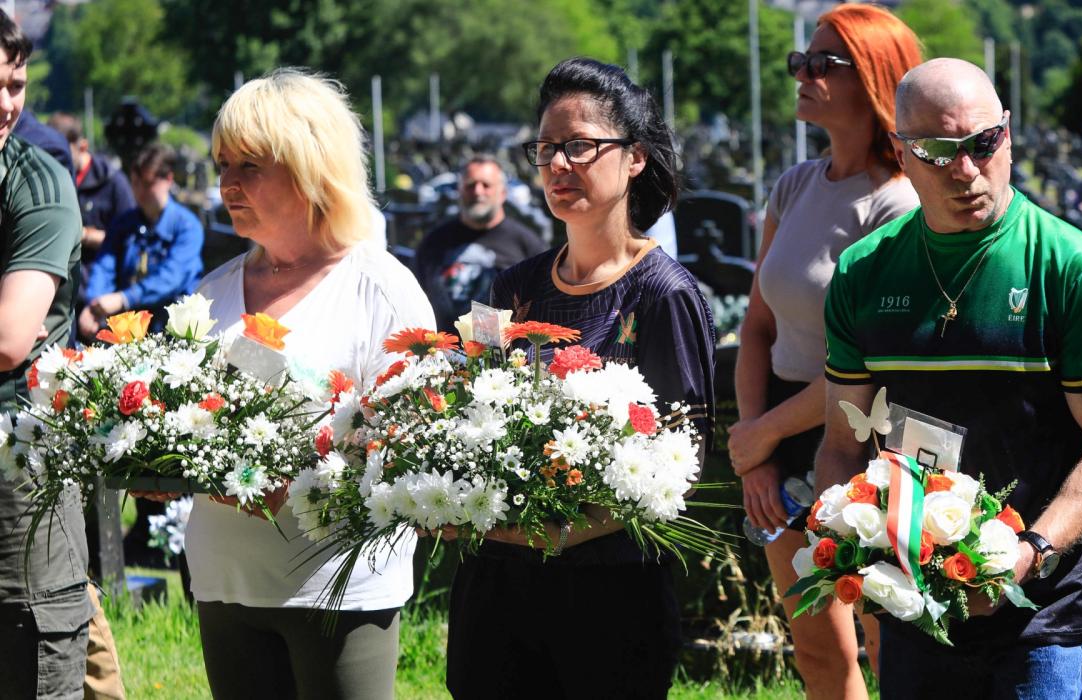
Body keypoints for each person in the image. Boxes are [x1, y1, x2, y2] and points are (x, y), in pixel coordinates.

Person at [818, 58, 1082, 699]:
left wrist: (1030, 553)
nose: (966, 169)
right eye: (938, 151)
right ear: (901, 154)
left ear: (1009, 135)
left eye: (983, 142)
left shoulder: (1077, 271)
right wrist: (850, 548)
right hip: (917, 602)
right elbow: (841, 444)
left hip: (1041, 609)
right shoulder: (862, 272)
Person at [445, 57, 716, 700]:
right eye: (546, 149)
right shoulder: (510, 286)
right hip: (497, 584)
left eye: (579, 146)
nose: (558, 165)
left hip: (609, 595)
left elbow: (682, 464)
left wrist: (556, 532)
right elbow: (462, 400)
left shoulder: (665, 294)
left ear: (635, 157)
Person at [179, 68, 435, 699]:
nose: (227, 184)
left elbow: (418, 441)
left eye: (250, 165)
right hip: (225, 581)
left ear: (310, 167)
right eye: (222, 164)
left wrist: (299, 470)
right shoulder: (210, 293)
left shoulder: (381, 289)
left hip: (341, 588)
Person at [730, 5, 921, 696]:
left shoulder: (898, 203)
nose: (802, 75)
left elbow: (869, 364)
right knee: (816, 648)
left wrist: (763, 435)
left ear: (873, 78)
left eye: (822, 64)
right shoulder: (794, 185)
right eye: (799, 62)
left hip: (862, 431)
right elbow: (757, 326)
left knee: (884, 639)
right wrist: (757, 447)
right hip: (779, 425)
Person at [0, 11, 89, 699]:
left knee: (31, 657)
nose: (7, 103)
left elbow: (9, 339)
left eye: (16, 83)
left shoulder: (37, 184)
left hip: (19, 465)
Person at [79, 142, 204, 342]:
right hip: (130, 330)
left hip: (173, 330)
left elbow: (171, 278)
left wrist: (124, 298)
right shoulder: (123, 223)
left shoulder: (187, 226)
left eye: (147, 184)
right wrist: (94, 304)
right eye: (135, 183)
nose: (139, 191)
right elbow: (104, 265)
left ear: (168, 179)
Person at [415, 155, 546, 331]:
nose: (477, 191)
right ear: (459, 190)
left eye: (486, 185)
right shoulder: (433, 242)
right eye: (470, 185)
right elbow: (414, 299)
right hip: (441, 346)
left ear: (503, 193)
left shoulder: (527, 245)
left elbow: (544, 307)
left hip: (507, 348)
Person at [48, 112, 136, 259]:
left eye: (60, 154)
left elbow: (130, 238)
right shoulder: (49, 178)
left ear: (83, 147)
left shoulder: (113, 182)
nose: (55, 160)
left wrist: (84, 235)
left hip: (98, 267)